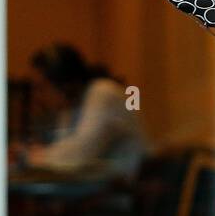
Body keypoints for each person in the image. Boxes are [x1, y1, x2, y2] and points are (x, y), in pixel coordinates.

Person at [18, 44, 146, 177]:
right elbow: (64, 150)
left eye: (42, 87)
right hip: (102, 184)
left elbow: (80, 153)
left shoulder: (104, 92)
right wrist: (35, 153)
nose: (38, 96)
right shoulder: (70, 104)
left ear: (64, 83)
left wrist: (30, 157)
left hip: (130, 186)